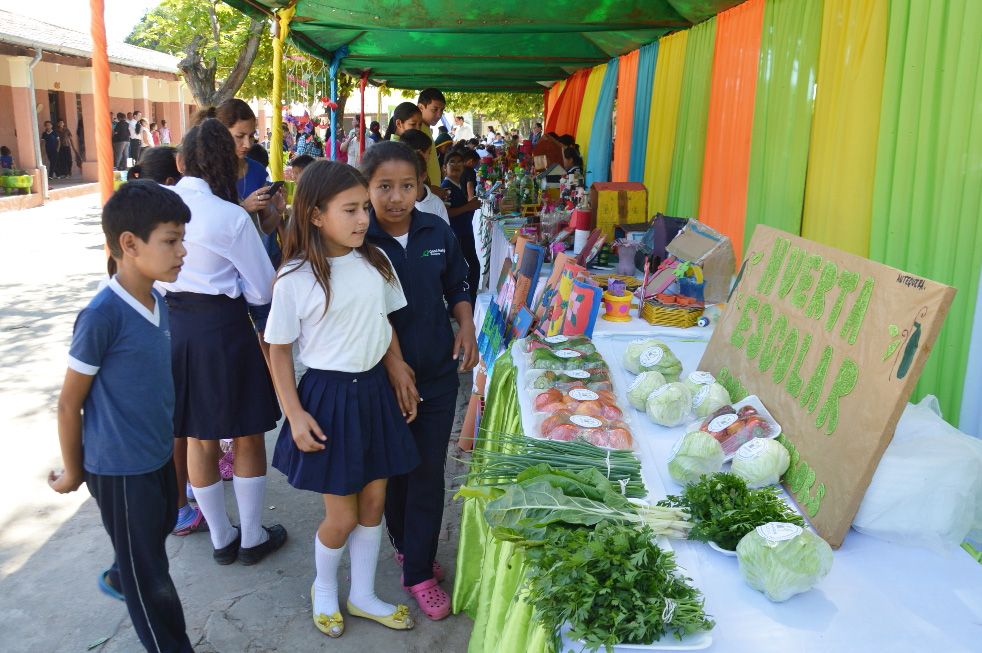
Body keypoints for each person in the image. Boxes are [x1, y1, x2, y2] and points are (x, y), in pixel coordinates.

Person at [265, 159, 418, 638]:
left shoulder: (376, 260)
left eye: (363, 210)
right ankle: (325, 588)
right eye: (350, 210)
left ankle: (364, 593)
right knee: (343, 514)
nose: (362, 220)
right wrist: (293, 415)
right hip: (328, 398)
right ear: (314, 214)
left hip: (374, 392)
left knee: (374, 501)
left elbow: (383, 320)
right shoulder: (295, 278)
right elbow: (279, 351)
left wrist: (396, 366)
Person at [49, 179, 194, 652]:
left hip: (155, 456)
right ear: (129, 245)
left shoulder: (158, 301)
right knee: (152, 582)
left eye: (181, 240)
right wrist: (74, 471)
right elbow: (70, 402)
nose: (182, 251)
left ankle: (121, 568)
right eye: (171, 241)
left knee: (156, 535)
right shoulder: (102, 316)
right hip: (119, 469)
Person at [158, 119, 287, 567]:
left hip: (176, 330)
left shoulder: (159, 205)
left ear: (180, 162)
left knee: (198, 437)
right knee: (247, 432)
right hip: (225, 330)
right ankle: (251, 537)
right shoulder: (229, 216)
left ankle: (221, 538)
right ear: (229, 164)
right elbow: (263, 289)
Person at [361, 141, 478, 621]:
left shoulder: (436, 228)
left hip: (436, 372)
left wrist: (466, 324)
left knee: (429, 469)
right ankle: (406, 542)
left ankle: (418, 572)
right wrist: (393, 365)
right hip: (378, 376)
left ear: (420, 187)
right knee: (394, 468)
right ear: (366, 189)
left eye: (406, 186)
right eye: (384, 187)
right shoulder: (359, 238)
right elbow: (363, 308)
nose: (395, 198)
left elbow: (457, 282)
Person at [441, 150, 481, 305]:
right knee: (470, 268)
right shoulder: (447, 188)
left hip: (464, 232)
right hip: (458, 234)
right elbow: (447, 212)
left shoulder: (457, 185)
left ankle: (467, 302)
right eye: (452, 162)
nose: (456, 165)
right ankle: (465, 304)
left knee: (470, 268)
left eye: (459, 162)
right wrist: (469, 206)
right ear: (444, 168)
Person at [398, 130, 449, 224]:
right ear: (420, 153)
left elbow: (445, 235)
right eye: (429, 153)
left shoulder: (436, 203)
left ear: (423, 176)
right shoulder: (396, 204)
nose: (429, 157)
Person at [416, 89, 446, 193]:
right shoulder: (417, 129)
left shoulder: (427, 128)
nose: (439, 115)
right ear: (421, 107)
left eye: (442, 110)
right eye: (435, 109)